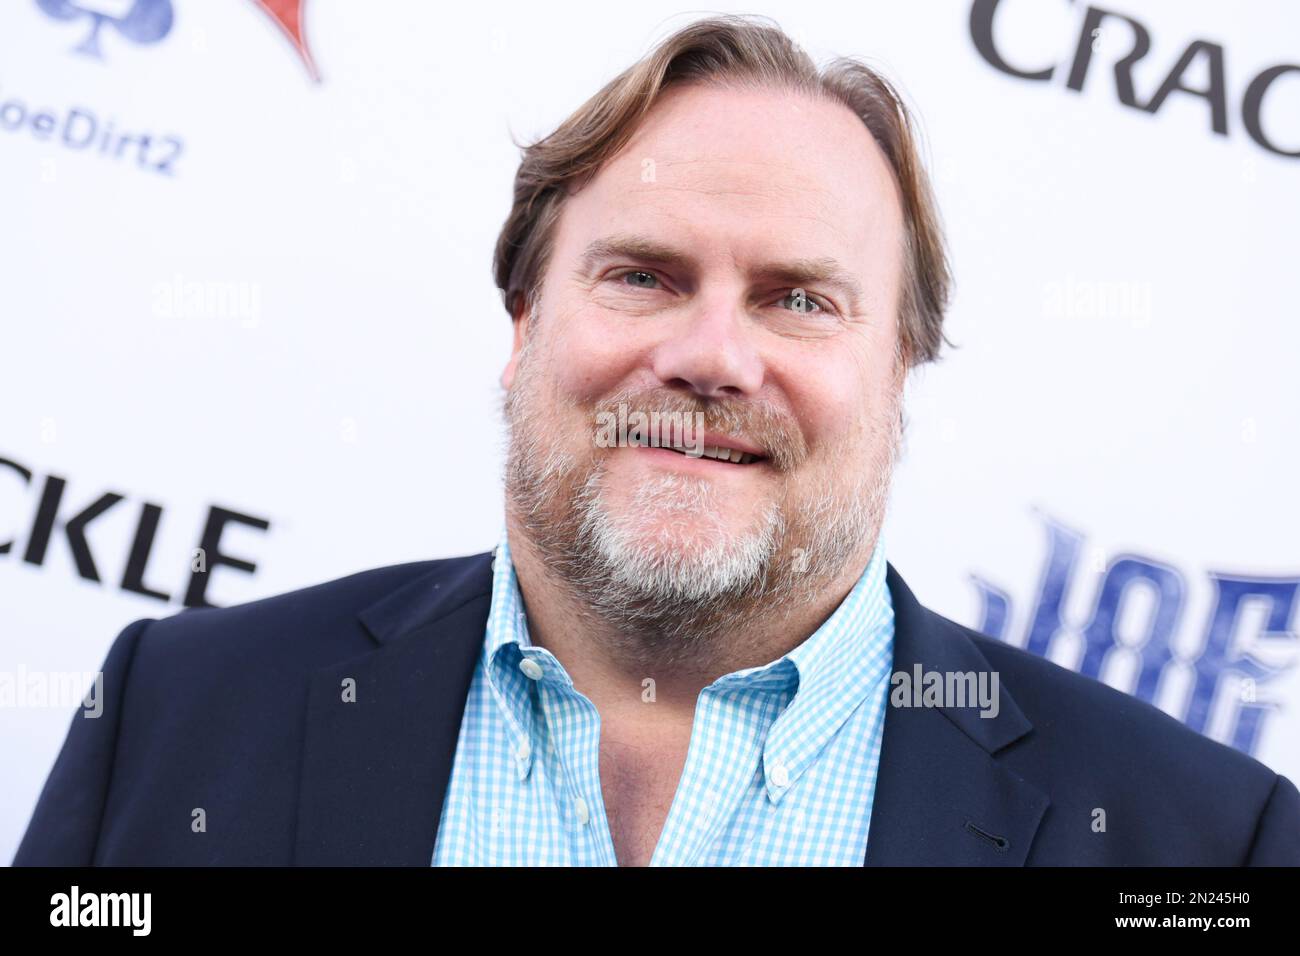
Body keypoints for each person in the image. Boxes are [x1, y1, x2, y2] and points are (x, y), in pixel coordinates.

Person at [14, 15, 1299, 867]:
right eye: (642, 274)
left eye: (798, 298)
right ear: (524, 322)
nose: (710, 355)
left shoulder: (1193, 844)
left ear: (898, 375)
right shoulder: (174, 716)